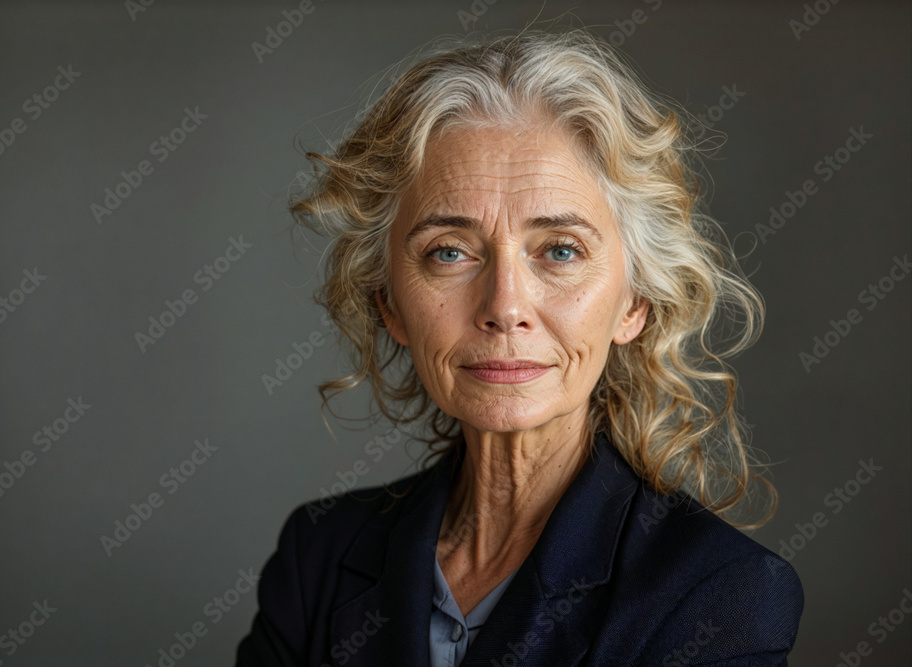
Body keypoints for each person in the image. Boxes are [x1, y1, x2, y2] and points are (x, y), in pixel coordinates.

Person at [237, 29, 803, 667]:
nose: (504, 307)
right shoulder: (317, 559)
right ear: (388, 302)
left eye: (560, 251)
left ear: (636, 302)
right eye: (449, 252)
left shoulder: (718, 593)